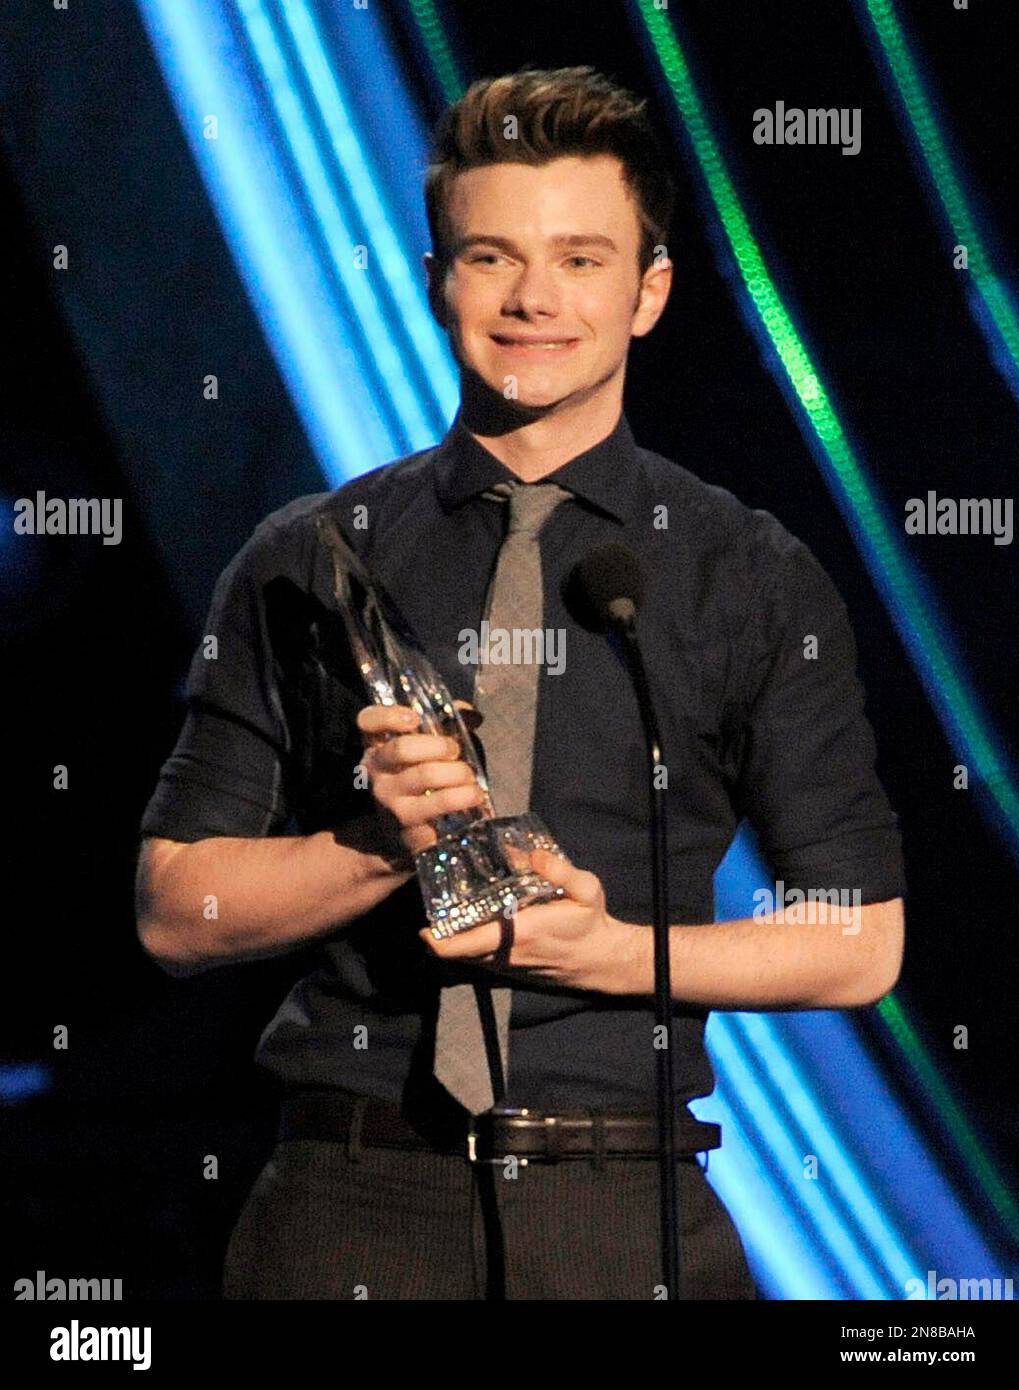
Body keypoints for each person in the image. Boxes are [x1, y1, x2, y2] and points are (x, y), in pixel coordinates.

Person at [135, 66, 906, 1300]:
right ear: (437, 278)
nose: (533, 297)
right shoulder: (309, 558)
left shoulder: (745, 574)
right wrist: (380, 841)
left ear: (648, 292)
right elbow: (177, 911)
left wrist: (610, 953)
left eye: (581, 259)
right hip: (352, 1203)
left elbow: (857, 942)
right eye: (489, 256)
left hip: (625, 1208)